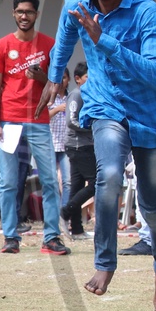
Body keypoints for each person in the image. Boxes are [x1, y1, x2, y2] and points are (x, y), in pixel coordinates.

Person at [42, 0, 156, 311]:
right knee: (108, 176)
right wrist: (54, 80)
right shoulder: (76, 2)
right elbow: (63, 43)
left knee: (153, 207)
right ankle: (105, 263)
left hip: (151, 114)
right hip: (106, 106)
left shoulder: (145, 12)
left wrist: (104, 41)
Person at [0, 0, 69, 257]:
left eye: (29, 12)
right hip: (9, 122)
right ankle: (10, 237)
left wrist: (41, 75)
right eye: (20, 11)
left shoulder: (49, 44)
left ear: (37, 14)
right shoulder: (1, 45)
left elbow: (55, 87)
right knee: (9, 182)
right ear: (14, 13)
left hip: (39, 121)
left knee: (48, 180)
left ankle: (51, 238)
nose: (24, 16)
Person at [60, 64, 95, 238]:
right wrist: (92, 128)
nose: (91, 80)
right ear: (78, 79)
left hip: (85, 145)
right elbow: (71, 121)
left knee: (77, 187)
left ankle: (77, 229)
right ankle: (65, 213)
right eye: (88, 77)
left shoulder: (90, 94)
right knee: (96, 183)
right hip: (78, 146)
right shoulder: (76, 94)